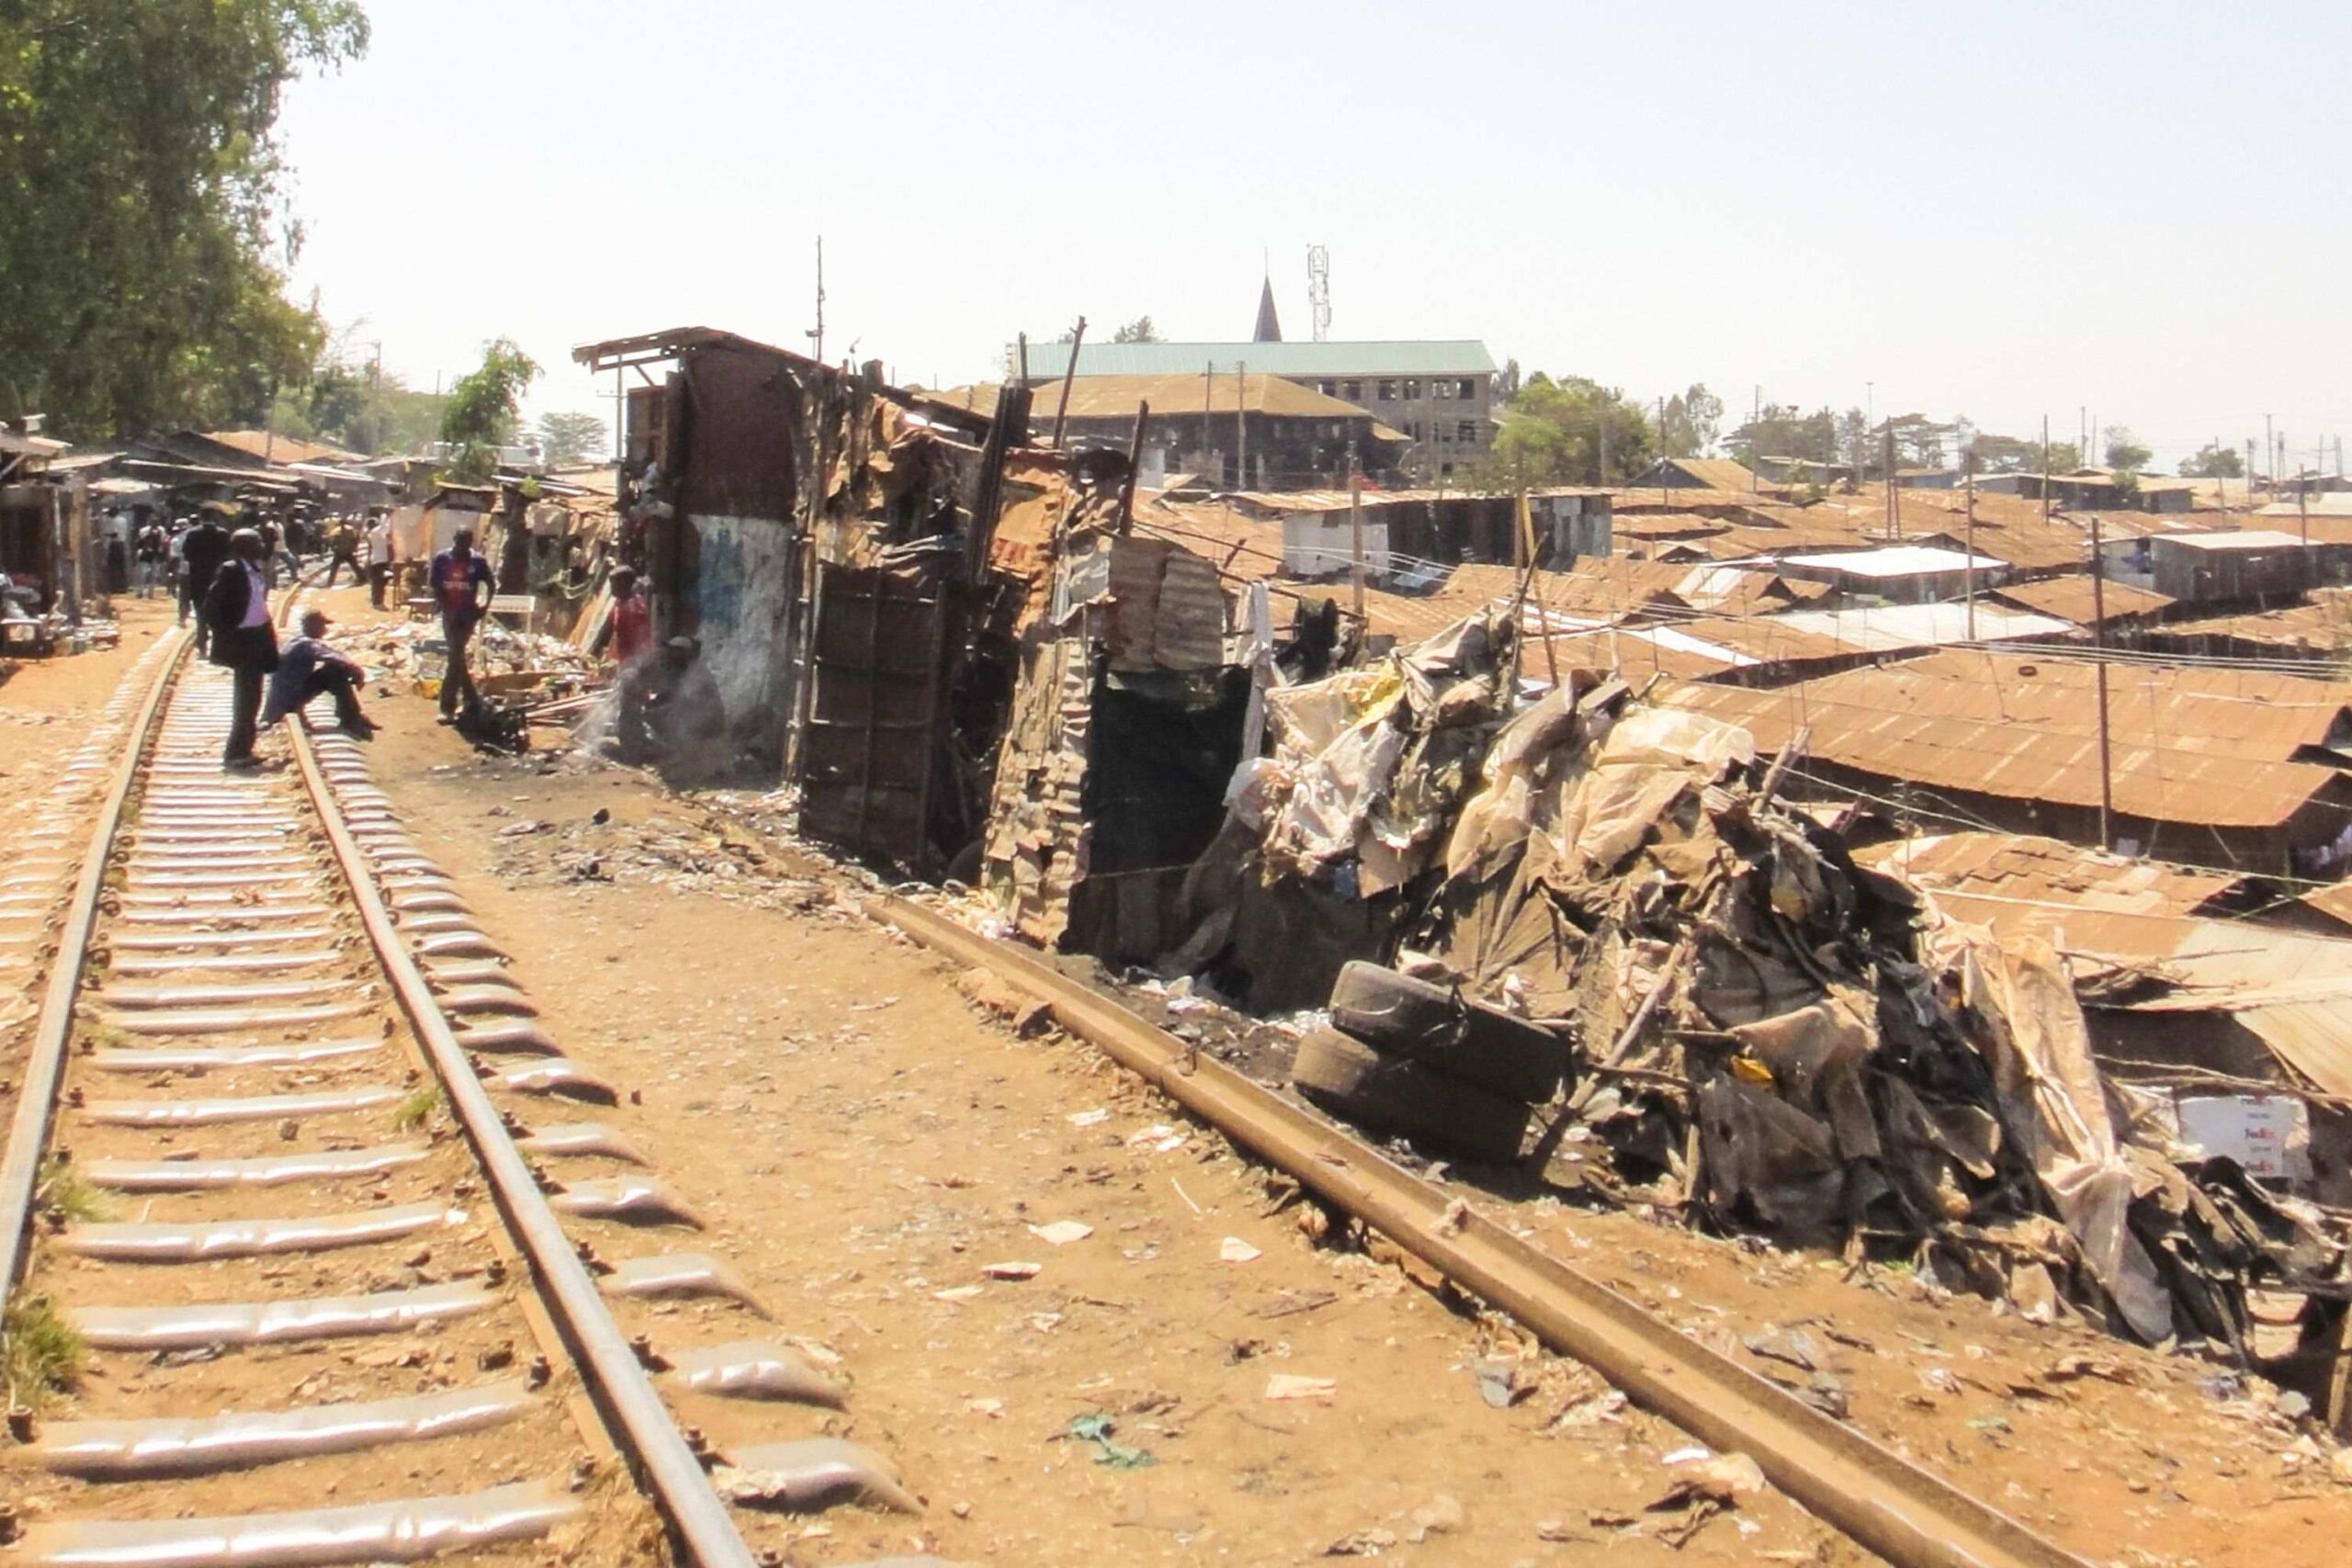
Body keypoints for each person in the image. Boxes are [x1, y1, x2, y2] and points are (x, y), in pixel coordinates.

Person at [201, 529, 278, 768]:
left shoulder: (253, 570)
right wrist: (227, 634)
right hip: (243, 641)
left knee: (253, 698)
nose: (261, 545)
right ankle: (236, 753)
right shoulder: (231, 570)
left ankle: (243, 749)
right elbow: (211, 608)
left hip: (257, 639)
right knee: (245, 699)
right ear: (244, 547)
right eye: (256, 542)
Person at [262, 608, 378, 737]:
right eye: (323, 626)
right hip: (289, 700)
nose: (325, 630)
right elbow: (330, 656)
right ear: (314, 626)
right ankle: (350, 719)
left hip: (284, 697)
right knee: (335, 672)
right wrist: (356, 670)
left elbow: (332, 653)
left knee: (335, 669)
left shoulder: (296, 640)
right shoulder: (306, 644)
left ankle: (353, 716)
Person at [429, 527, 495, 723]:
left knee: (455, 655)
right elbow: (435, 585)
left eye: (466, 541)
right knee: (456, 655)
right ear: (454, 540)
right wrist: (444, 605)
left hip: (468, 614)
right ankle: (471, 700)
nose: (462, 545)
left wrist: (483, 608)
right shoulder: (442, 558)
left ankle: (448, 707)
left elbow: (491, 585)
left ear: (471, 542)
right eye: (459, 541)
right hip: (450, 613)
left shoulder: (478, 561)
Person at [180, 510, 231, 653]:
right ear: (215, 518)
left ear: (201, 518)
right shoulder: (223, 534)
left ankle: (202, 640)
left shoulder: (192, 534)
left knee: (199, 608)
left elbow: (186, 554)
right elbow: (228, 554)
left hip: (198, 577)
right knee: (219, 609)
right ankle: (217, 644)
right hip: (218, 576)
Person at [364, 510, 392, 609]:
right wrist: (385, 514)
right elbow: (385, 525)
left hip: (377, 560)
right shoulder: (376, 532)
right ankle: (377, 603)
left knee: (378, 583)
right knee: (378, 583)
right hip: (378, 561)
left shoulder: (373, 533)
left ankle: (377, 602)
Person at [322, 517, 362, 588]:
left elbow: (333, 542)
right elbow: (356, 539)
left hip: (339, 551)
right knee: (355, 566)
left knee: (334, 568)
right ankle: (362, 578)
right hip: (348, 551)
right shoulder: (351, 530)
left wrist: (334, 547)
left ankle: (330, 583)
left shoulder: (337, 531)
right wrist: (354, 547)